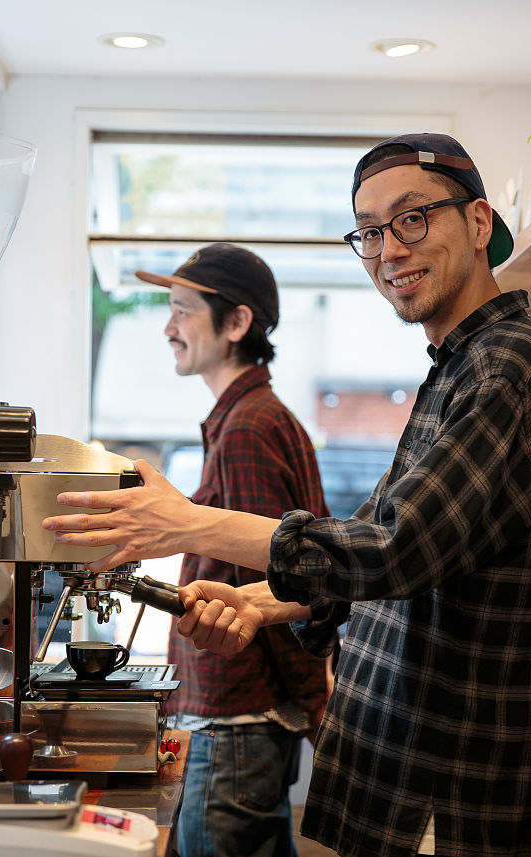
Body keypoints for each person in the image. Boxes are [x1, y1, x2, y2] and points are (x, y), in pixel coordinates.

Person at [45, 134, 531, 857]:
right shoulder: (456, 372)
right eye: (368, 232)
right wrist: (261, 602)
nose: (389, 248)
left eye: (412, 218)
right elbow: (382, 542)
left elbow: (396, 547)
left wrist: (184, 525)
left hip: (448, 788)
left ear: (481, 222)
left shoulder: (505, 366)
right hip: (407, 773)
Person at [135, 242, 333, 857]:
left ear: (237, 322)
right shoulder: (247, 419)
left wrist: (313, 699)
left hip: (236, 720)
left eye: (183, 310)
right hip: (242, 720)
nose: (169, 327)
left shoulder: (248, 428)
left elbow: (285, 576)